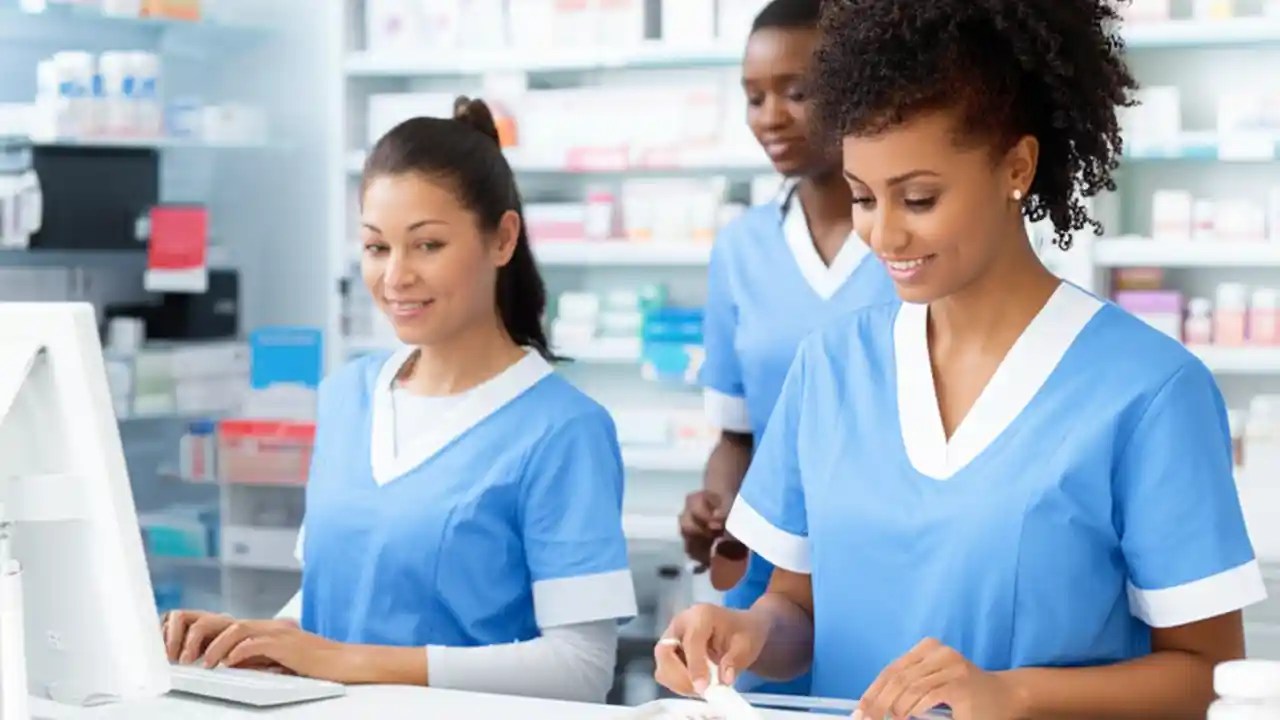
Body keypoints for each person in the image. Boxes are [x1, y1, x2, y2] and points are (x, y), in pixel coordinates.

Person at [656, 1, 1268, 718]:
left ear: (1017, 165)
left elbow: (1206, 673)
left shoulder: (1149, 391)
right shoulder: (830, 366)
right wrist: (747, 632)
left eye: (918, 198)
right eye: (861, 197)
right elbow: (798, 608)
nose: (883, 234)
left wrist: (1012, 693)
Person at [162, 97, 636, 704]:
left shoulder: (564, 430)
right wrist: (254, 641)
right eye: (377, 247)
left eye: (428, 245)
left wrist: (346, 660)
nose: (395, 277)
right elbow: (336, 592)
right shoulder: (346, 397)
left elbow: (579, 669)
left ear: (503, 239)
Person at [679, 0, 894, 694]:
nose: (770, 115)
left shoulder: (911, 246)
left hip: (886, 559)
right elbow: (737, 438)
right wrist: (718, 513)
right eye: (753, 96)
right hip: (768, 588)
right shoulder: (741, 249)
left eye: (796, 91)